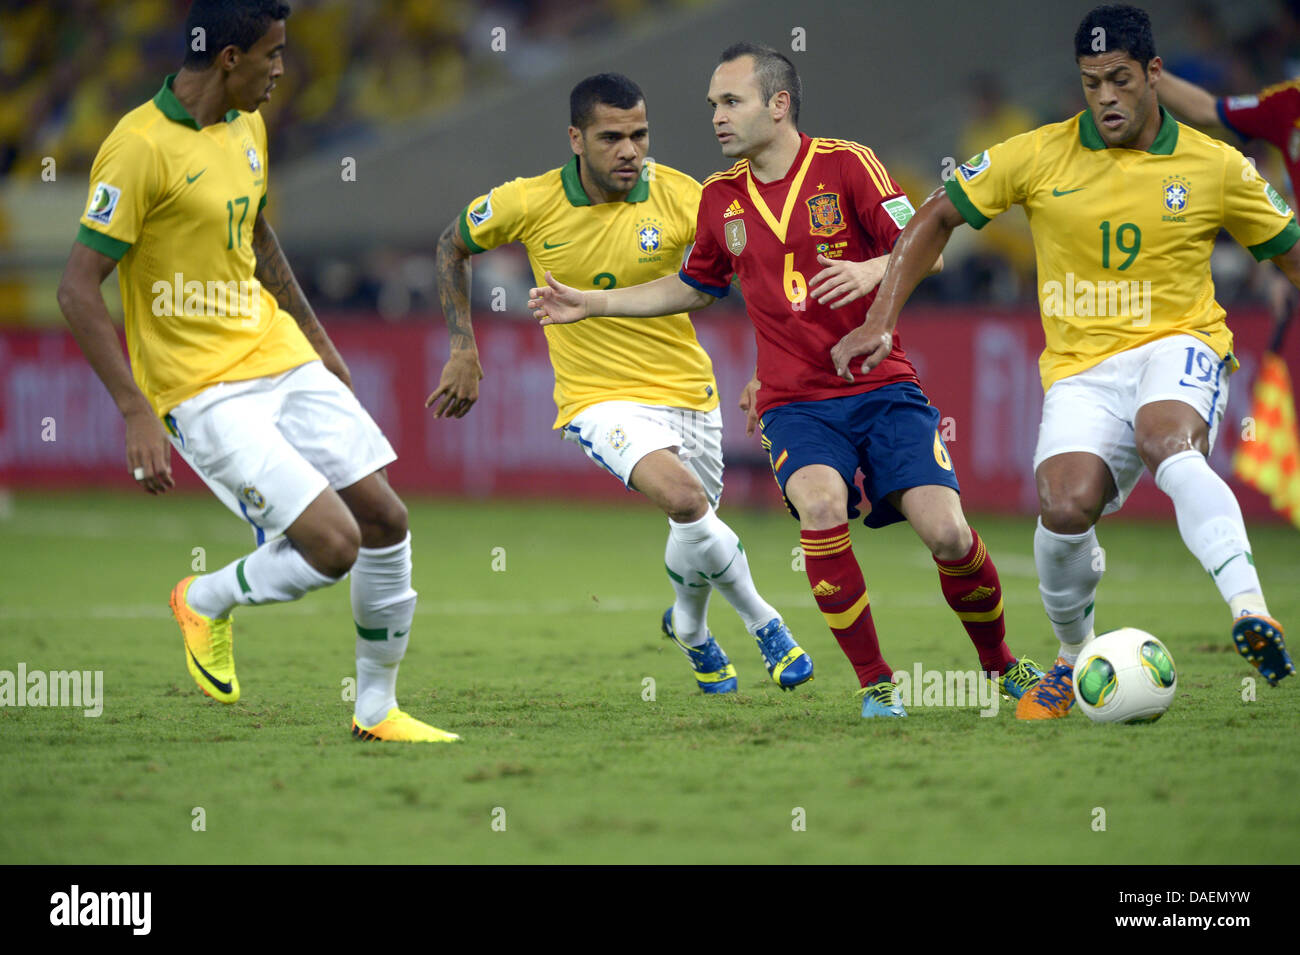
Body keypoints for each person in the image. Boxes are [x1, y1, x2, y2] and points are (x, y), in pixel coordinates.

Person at [530, 44, 1044, 717]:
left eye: (730, 101)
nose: (716, 115)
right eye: (713, 103)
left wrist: (870, 272)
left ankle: (999, 662)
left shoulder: (847, 165)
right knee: (824, 508)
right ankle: (875, 683)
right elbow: (696, 285)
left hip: (883, 388)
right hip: (796, 405)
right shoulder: (720, 198)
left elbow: (929, 249)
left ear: (778, 105)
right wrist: (596, 302)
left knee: (947, 534)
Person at [833, 3, 1299, 719]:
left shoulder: (1215, 165)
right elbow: (936, 216)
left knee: (1169, 442)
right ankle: (1073, 653)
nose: (1106, 96)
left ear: (1153, 73)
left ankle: (1249, 608)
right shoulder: (1038, 153)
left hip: (1179, 343)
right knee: (1062, 505)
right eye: (1091, 82)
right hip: (1082, 368)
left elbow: (1290, 252)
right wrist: (880, 316)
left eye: (1120, 79)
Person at [56, 0, 457, 742]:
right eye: (272, 56)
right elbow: (78, 288)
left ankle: (378, 711)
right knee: (334, 545)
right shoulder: (138, 147)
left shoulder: (249, 126)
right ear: (230, 58)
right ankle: (204, 596)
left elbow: (258, 234)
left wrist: (319, 341)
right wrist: (135, 408)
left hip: (277, 352)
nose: (282, 72)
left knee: (386, 519)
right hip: (200, 387)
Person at [429, 73, 812, 694]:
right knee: (686, 501)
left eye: (639, 134)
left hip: (690, 393)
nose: (629, 150)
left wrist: (766, 369)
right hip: (597, 398)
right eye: (611, 137)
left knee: (692, 527)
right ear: (576, 138)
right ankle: (767, 624)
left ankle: (688, 630)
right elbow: (452, 243)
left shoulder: (686, 197)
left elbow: (757, 280)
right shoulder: (528, 201)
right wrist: (463, 346)